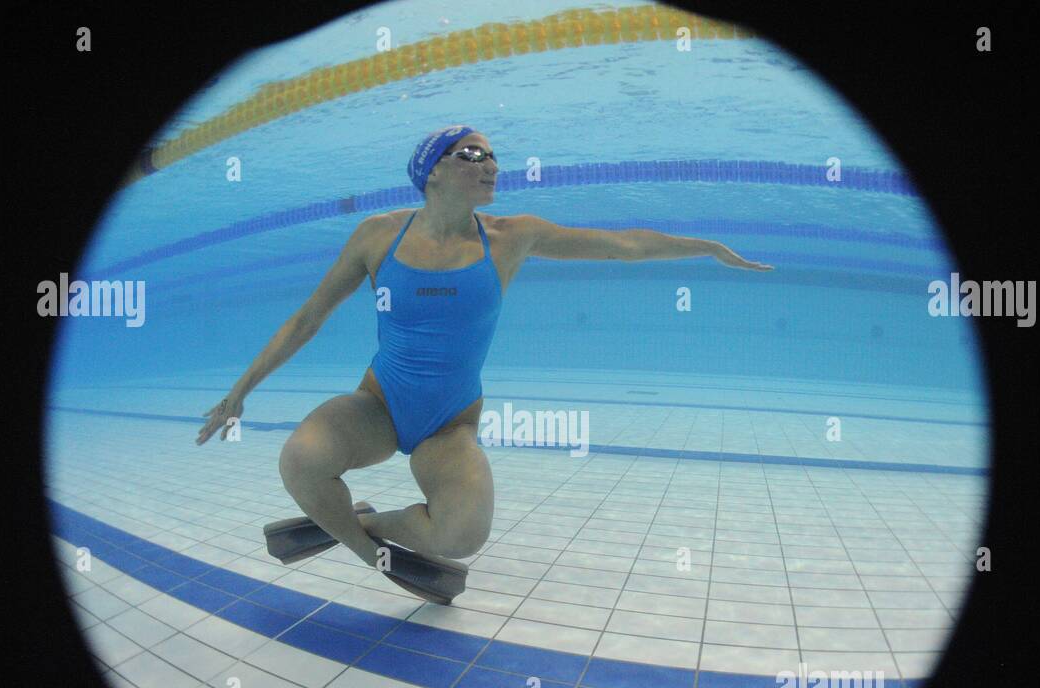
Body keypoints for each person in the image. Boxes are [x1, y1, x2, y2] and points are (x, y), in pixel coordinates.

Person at [197, 124, 772, 586]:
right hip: (378, 405)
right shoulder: (378, 237)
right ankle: (366, 551)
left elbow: (622, 246)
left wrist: (709, 248)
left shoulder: (511, 237)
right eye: (473, 153)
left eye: (495, 155)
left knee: (463, 533)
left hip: (449, 423)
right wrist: (237, 394)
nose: (492, 164)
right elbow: (306, 319)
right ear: (433, 171)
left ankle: (358, 521)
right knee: (300, 460)